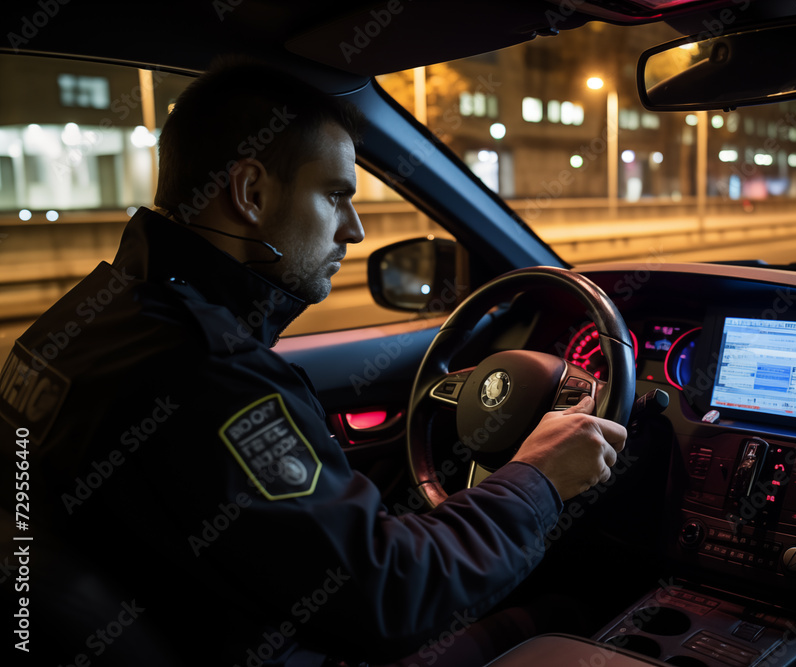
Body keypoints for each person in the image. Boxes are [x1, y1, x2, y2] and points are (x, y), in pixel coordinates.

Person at [0, 59, 627, 666]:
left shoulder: (82, 320)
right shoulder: (207, 374)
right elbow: (390, 596)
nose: (353, 229)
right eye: (334, 195)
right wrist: (539, 478)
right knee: (579, 608)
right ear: (249, 192)